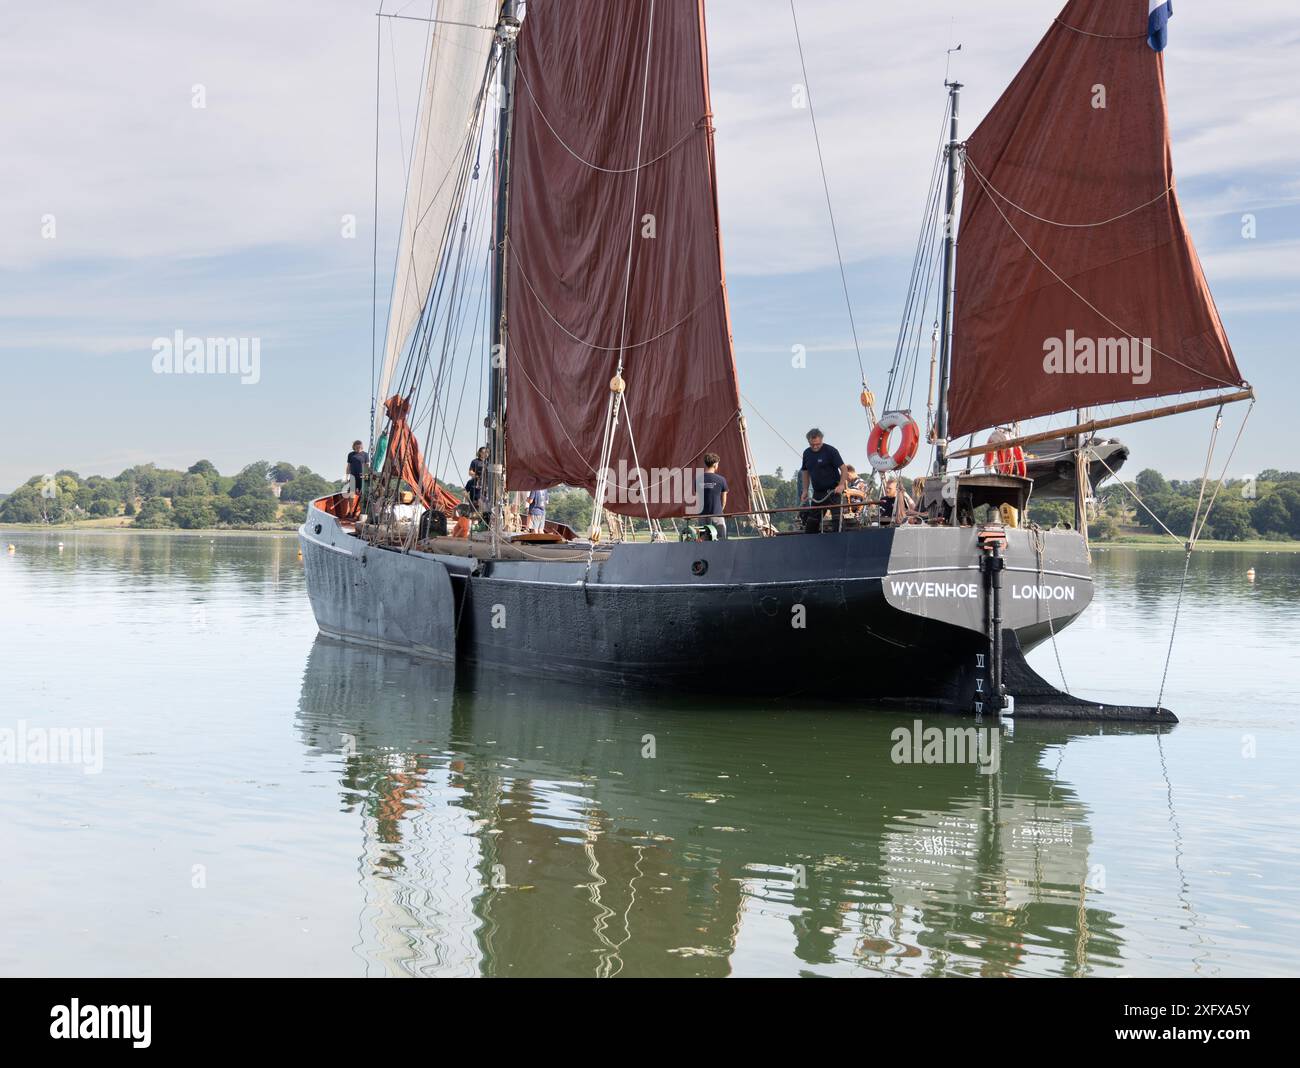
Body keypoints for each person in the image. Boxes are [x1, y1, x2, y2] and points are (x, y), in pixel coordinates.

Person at [800, 428, 846, 533]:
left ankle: (840, 540)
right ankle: (811, 543)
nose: (815, 447)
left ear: (822, 440)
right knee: (812, 522)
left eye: (818, 444)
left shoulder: (831, 451)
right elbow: (805, 472)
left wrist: (841, 484)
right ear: (808, 442)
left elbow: (844, 469)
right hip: (818, 493)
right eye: (812, 445)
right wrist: (805, 490)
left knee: (837, 520)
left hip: (834, 491)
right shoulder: (806, 453)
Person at [697, 453, 729, 539]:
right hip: (717, 515)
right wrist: (718, 511)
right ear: (715, 464)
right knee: (721, 540)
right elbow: (724, 501)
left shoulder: (697, 480)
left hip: (702, 516)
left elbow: (698, 498)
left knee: (703, 542)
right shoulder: (721, 480)